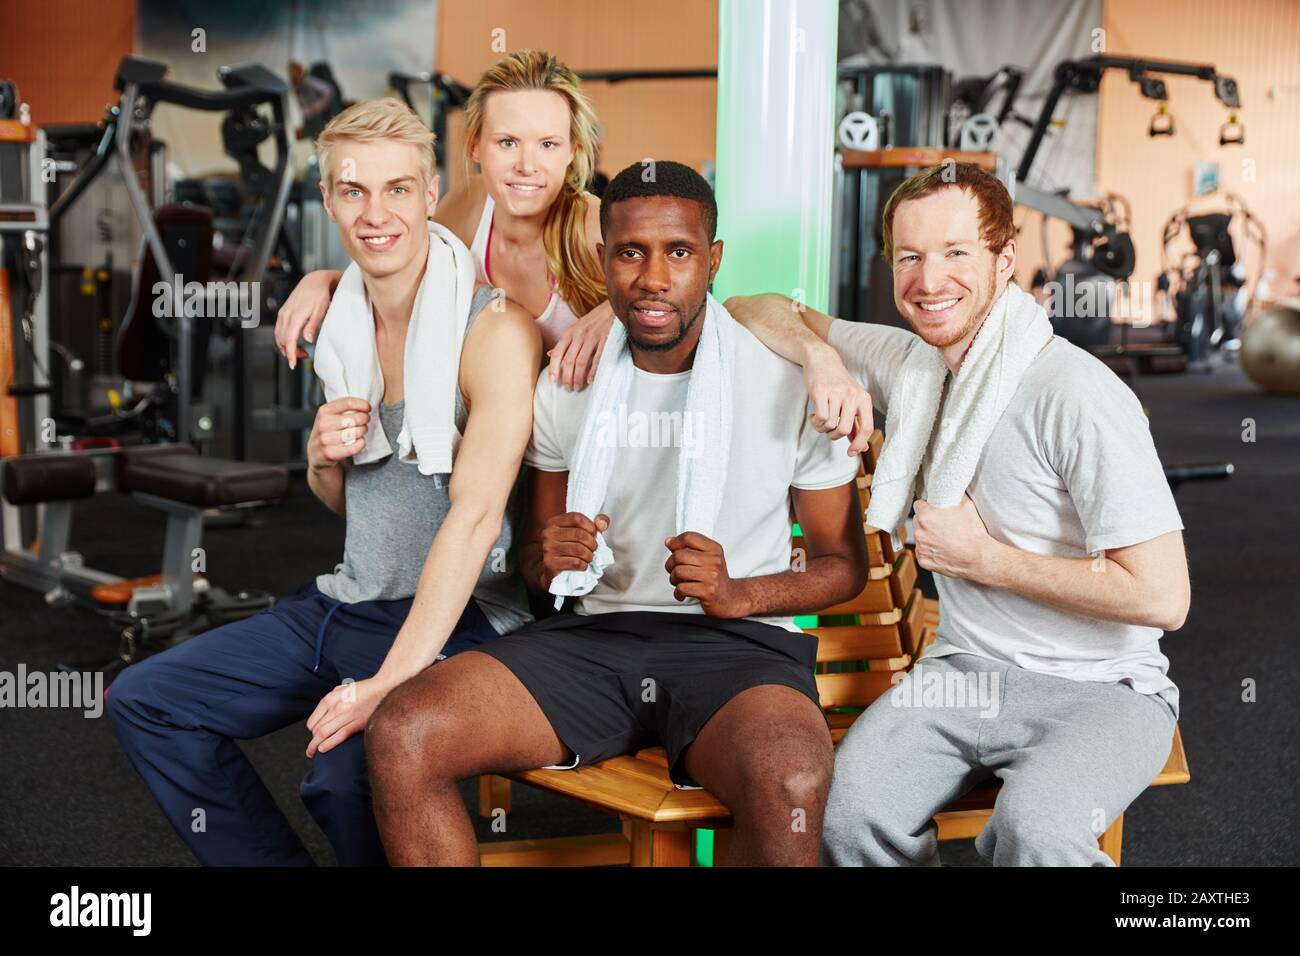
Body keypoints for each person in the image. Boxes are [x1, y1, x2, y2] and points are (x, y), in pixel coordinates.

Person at [362, 161, 870, 867]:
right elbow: (541, 576)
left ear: (713, 260)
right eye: (630, 252)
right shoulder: (570, 383)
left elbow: (843, 567)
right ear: (603, 259)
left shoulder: (784, 383)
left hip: (740, 649)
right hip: (593, 641)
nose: (653, 278)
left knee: (791, 779)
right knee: (404, 731)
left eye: (679, 253)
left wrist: (739, 594)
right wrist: (552, 555)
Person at [107, 98, 542, 866]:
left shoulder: (493, 332)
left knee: (341, 782)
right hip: (347, 599)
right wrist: (319, 460)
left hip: (464, 620)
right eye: (353, 191)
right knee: (148, 701)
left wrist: (384, 683)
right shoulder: (339, 326)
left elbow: (474, 519)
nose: (377, 214)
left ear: (431, 193)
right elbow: (353, 504)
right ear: (332, 201)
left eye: (397, 189)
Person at [725, 162, 1189, 866]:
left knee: (1037, 828)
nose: (929, 280)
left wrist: (983, 560)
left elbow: (1164, 597)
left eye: (955, 253)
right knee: (846, 816)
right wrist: (820, 357)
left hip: (1104, 690)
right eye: (909, 257)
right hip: (963, 671)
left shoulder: (1078, 396)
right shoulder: (913, 364)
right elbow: (748, 305)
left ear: (1005, 261)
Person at [276, 50, 613, 389]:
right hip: (486, 419)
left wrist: (615, 314)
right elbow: (402, 277)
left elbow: (666, 297)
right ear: (474, 147)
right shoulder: (468, 207)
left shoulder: (594, 227)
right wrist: (326, 282)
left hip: (572, 434)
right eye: (507, 142)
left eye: (548, 145)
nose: (527, 164)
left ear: (572, 151)